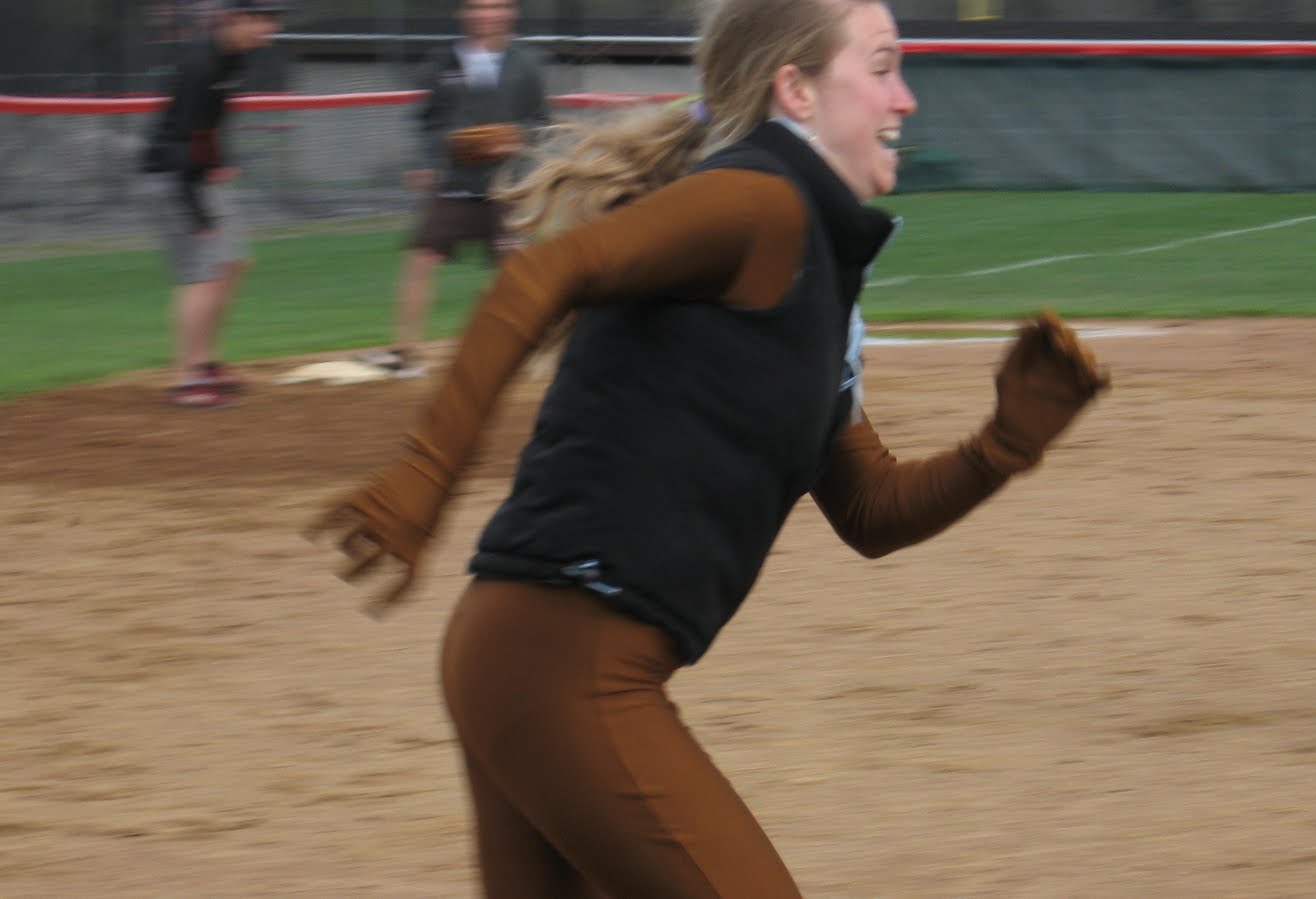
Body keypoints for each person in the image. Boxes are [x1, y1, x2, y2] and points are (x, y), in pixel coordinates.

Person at [309, 0, 1109, 893]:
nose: (907, 98)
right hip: (565, 661)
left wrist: (1004, 443)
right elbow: (547, 271)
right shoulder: (757, 201)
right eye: (882, 65)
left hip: (529, 653)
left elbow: (872, 508)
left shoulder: (816, 273)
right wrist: (425, 473)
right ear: (795, 90)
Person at [361, 0, 550, 379]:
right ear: (465, 14)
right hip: (455, 183)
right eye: (477, 7)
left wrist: (517, 138)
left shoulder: (526, 64)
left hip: (506, 184)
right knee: (422, 257)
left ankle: (527, 349)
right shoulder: (443, 61)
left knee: (516, 268)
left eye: (495, 7)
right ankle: (406, 351)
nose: (486, 14)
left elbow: (540, 121)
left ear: (509, 12)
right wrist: (430, 161)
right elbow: (428, 121)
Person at [137, 0, 284, 407]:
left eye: (271, 21)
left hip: (199, 175)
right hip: (171, 179)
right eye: (258, 20)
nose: (266, 30)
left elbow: (210, 126)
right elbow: (183, 136)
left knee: (233, 263)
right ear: (233, 18)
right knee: (201, 275)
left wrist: (220, 160)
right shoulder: (201, 63)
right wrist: (197, 212)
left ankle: (204, 362)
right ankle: (186, 379)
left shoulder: (234, 58)